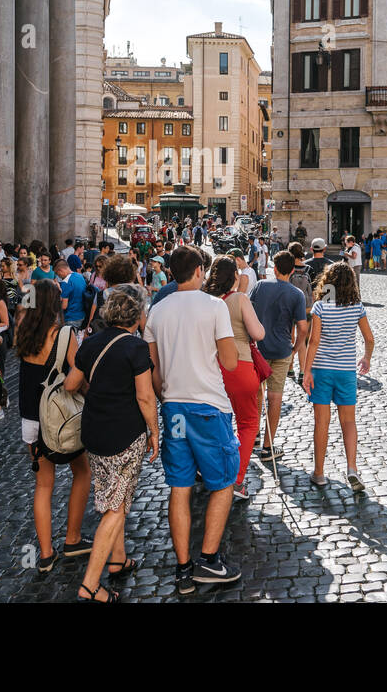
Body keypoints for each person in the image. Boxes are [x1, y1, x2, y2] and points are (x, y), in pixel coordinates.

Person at [143, 244, 242, 594]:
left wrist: (165, 396)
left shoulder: (157, 310)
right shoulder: (214, 306)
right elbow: (230, 362)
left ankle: (183, 568)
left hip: (174, 408)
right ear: (199, 272)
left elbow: (152, 369)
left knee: (180, 486)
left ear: (170, 273)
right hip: (208, 407)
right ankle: (210, 560)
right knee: (223, 482)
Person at [65, 284, 159, 602]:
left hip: (94, 430)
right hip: (124, 434)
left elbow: (71, 383)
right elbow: (146, 397)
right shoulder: (136, 348)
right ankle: (90, 585)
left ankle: (117, 561)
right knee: (115, 508)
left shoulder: (91, 343)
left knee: (110, 496)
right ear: (137, 315)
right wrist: (155, 432)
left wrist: (97, 394)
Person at [14, 279, 92, 572]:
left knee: (43, 485)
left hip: (31, 420)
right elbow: (77, 375)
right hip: (59, 418)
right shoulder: (63, 334)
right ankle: (72, 539)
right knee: (82, 472)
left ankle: (45, 554)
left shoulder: (23, 333)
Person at [304, 261, 374, 491]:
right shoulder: (357, 307)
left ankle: (319, 473)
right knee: (349, 421)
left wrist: (306, 371)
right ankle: (352, 468)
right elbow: (369, 338)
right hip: (346, 372)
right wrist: (366, 358)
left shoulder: (321, 307)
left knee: (321, 423)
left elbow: (313, 341)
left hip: (322, 370)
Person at [203, 256, 266, 501]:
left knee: (216, 424)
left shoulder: (206, 301)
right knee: (248, 424)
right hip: (240, 366)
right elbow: (258, 333)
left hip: (212, 368)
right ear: (234, 277)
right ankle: (237, 480)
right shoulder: (240, 300)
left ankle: (211, 472)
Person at [250, 249, 309, 463]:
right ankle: (267, 447)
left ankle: (254, 435)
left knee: (257, 392)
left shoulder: (259, 286)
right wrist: (296, 347)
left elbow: (249, 313)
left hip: (260, 349)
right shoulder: (296, 294)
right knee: (275, 398)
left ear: (274, 269)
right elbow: (302, 327)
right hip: (283, 350)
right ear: (292, 270)